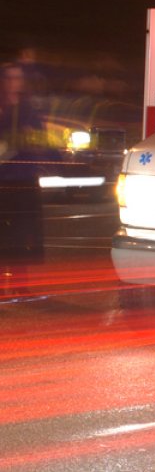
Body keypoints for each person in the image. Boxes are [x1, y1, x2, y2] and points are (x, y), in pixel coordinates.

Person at [0, 62, 48, 300]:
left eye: (18, 77)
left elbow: (39, 142)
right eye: (9, 77)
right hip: (2, 181)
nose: (14, 82)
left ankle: (20, 282)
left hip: (24, 179)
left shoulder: (28, 110)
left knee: (22, 233)